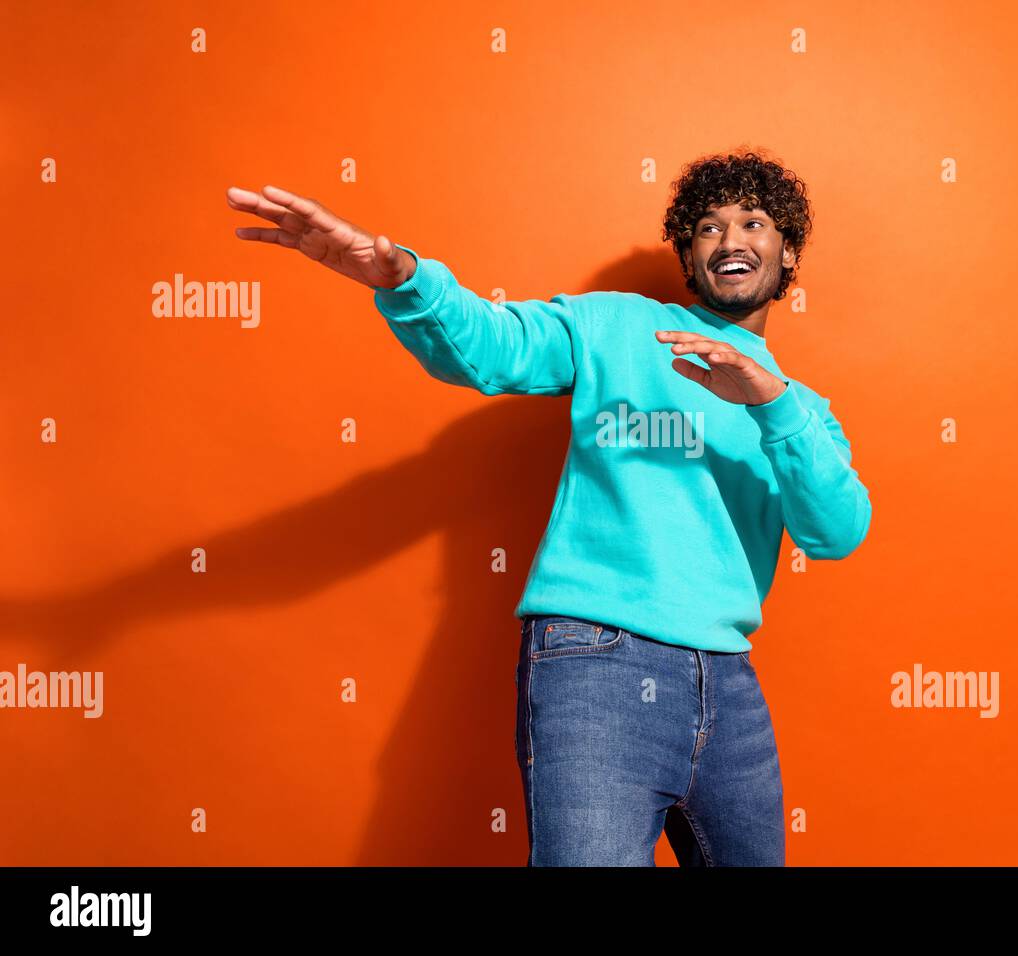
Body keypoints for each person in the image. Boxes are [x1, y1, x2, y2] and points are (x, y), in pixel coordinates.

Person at [226, 149, 872, 866]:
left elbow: (837, 531)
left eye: (755, 221)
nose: (732, 239)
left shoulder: (800, 413)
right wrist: (407, 281)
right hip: (596, 665)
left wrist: (770, 403)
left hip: (730, 685)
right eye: (710, 227)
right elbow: (496, 349)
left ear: (787, 256)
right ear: (690, 254)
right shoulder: (619, 327)